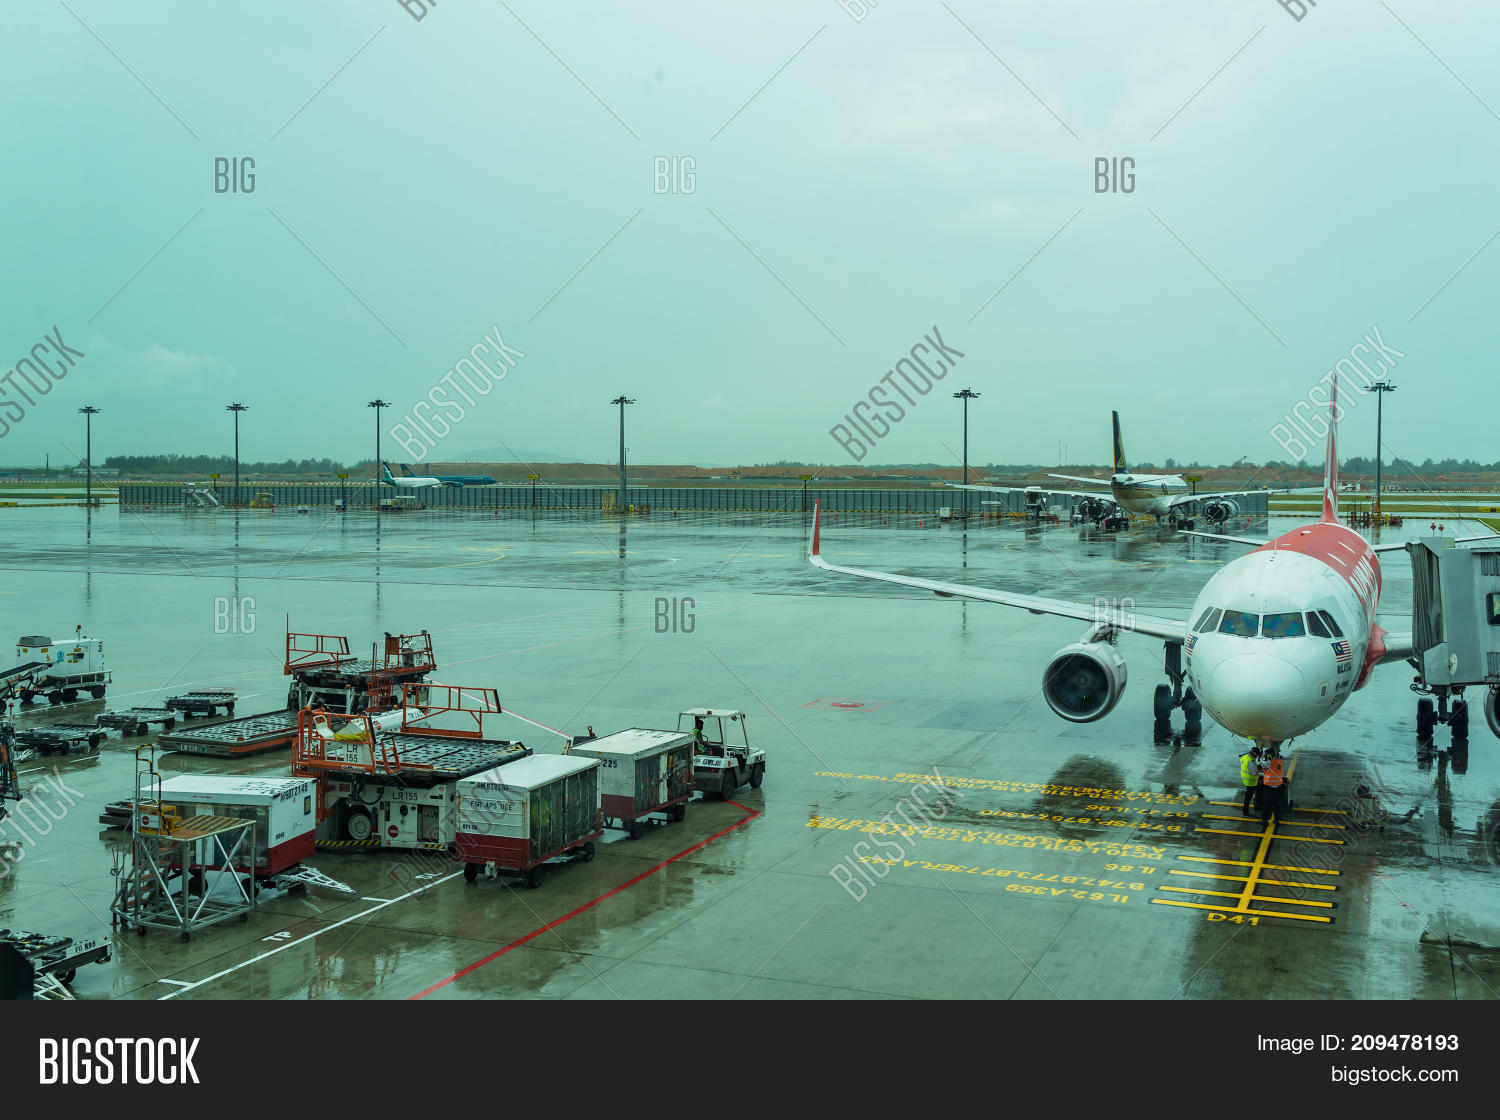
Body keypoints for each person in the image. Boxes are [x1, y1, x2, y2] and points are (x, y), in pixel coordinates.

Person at [1259, 747, 1288, 825]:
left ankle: (1265, 820)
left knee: (1267, 804)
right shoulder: (1280, 761)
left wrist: (1262, 760)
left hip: (1269, 786)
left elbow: (1258, 768)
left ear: (1269, 755)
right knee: (1277, 804)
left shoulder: (1268, 762)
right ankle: (1277, 820)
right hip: (1278, 786)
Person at [1238, 746, 1263, 816]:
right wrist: (1261, 766)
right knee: (1248, 797)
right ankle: (1245, 812)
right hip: (1250, 782)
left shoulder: (1245, 757)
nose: (1257, 756)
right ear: (1254, 754)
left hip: (1244, 778)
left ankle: (1246, 809)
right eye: (1257, 755)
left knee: (1248, 795)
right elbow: (1255, 772)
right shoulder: (1251, 762)